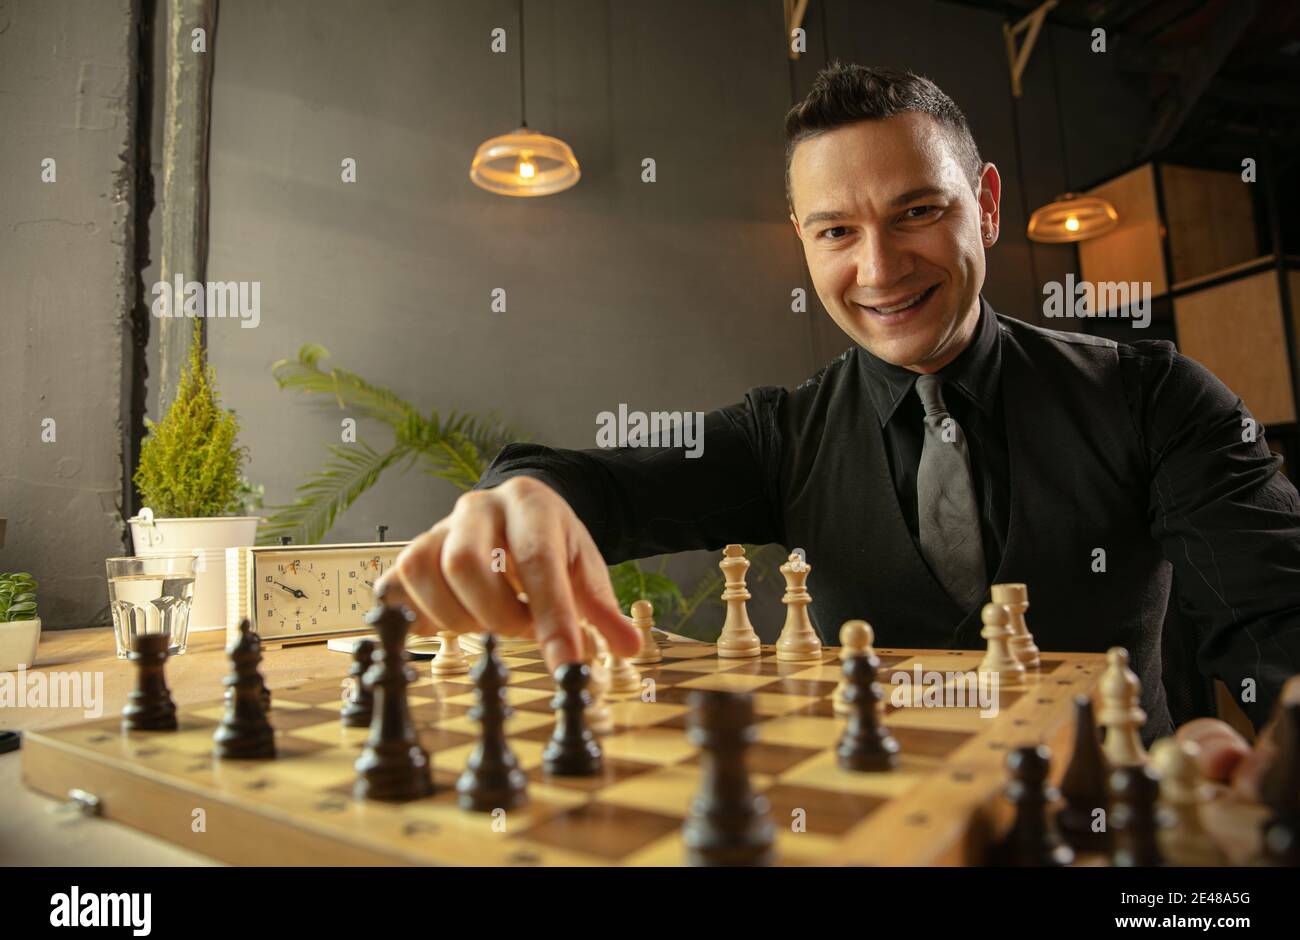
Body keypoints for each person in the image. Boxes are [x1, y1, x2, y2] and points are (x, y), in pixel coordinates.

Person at [378, 64, 1300, 766]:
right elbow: (608, 485)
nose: (879, 268)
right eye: (836, 232)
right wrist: (522, 492)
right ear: (805, 245)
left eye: (917, 212)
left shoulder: (1154, 397)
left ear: (984, 207)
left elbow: (1274, 620)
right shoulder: (780, 436)